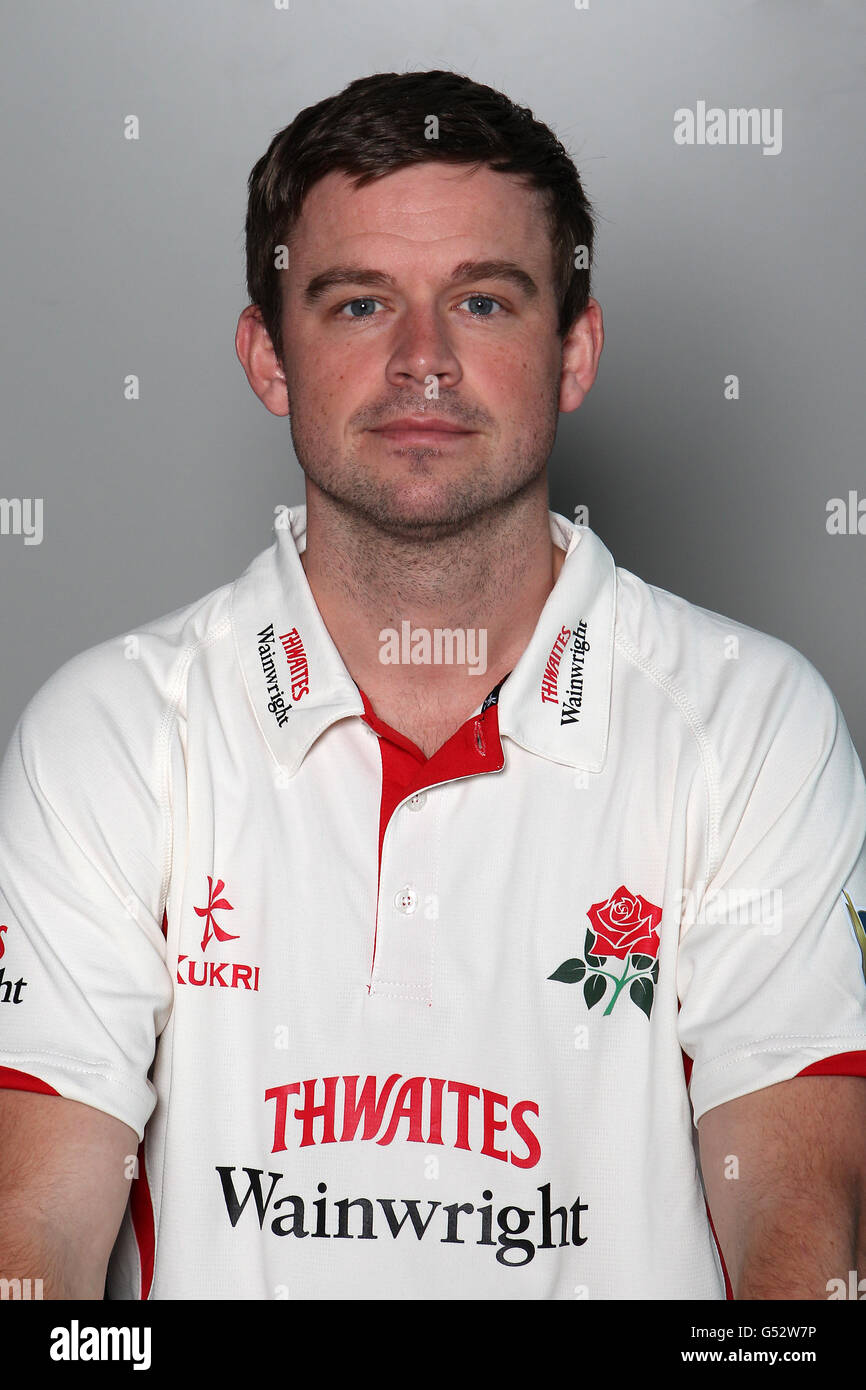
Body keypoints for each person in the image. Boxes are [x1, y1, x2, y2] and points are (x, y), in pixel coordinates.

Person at [1, 69, 865, 1302]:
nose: (422, 363)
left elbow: (800, 1229)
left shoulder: (752, 722)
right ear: (267, 358)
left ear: (573, 352)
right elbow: (31, 1248)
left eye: (481, 301)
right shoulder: (108, 736)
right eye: (357, 306)